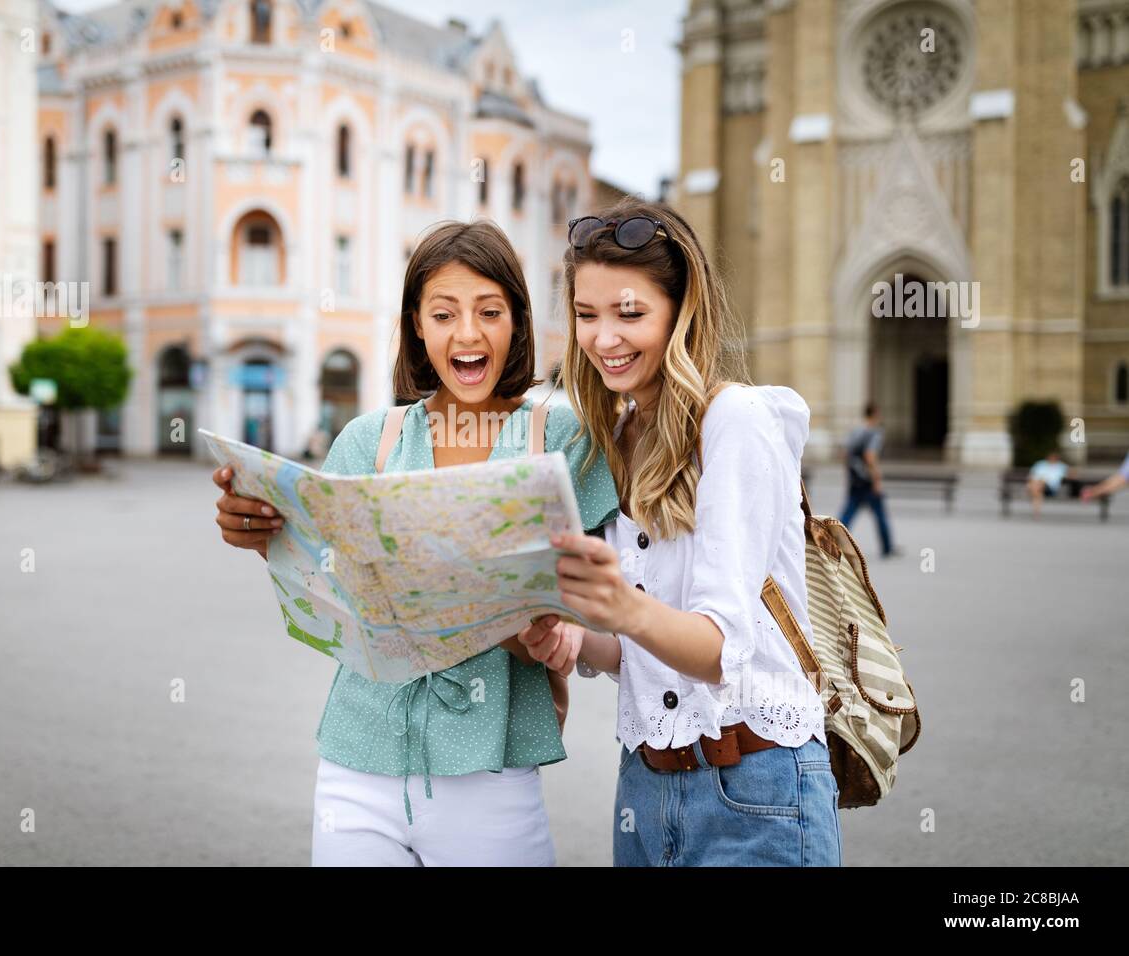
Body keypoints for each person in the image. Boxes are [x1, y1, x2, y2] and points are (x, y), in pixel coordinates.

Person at [211, 220, 618, 866]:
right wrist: (262, 534)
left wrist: (566, 630)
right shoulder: (368, 440)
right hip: (357, 761)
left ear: (517, 319)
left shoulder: (565, 438)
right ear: (416, 326)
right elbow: (328, 583)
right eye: (443, 313)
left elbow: (618, 586)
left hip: (491, 774)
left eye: (490, 311)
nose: (467, 333)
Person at [516, 199, 841, 867]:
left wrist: (619, 606)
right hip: (643, 790)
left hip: (756, 792)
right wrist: (576, 637)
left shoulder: (737, 421)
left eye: (629, 313)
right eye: (586, 314)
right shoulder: (612, 437)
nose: (604, 337)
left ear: (680, 311)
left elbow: (718, 650)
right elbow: (642, 655)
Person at [839, 402, 900, 557]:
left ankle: (833, 541)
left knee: (848, 513)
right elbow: (870, 455)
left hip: (855, 479)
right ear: (875, 414)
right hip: (867, 479)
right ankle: (887, 547)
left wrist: (851, 473)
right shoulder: (874, 432)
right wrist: (876, 479)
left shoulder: (856, 431)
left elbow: (845, 454)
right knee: (880, 514)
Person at [1026, 449, 1069, 518]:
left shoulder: (1061, 466)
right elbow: (1031, 475)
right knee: (1037, 491)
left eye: (1054, 457)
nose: (1052, 459)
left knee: (1039, 485)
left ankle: (1031, 488)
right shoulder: (1040, 464)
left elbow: (1070, 474)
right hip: (1037, 484)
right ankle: (1036, 512)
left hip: (1050, 487)